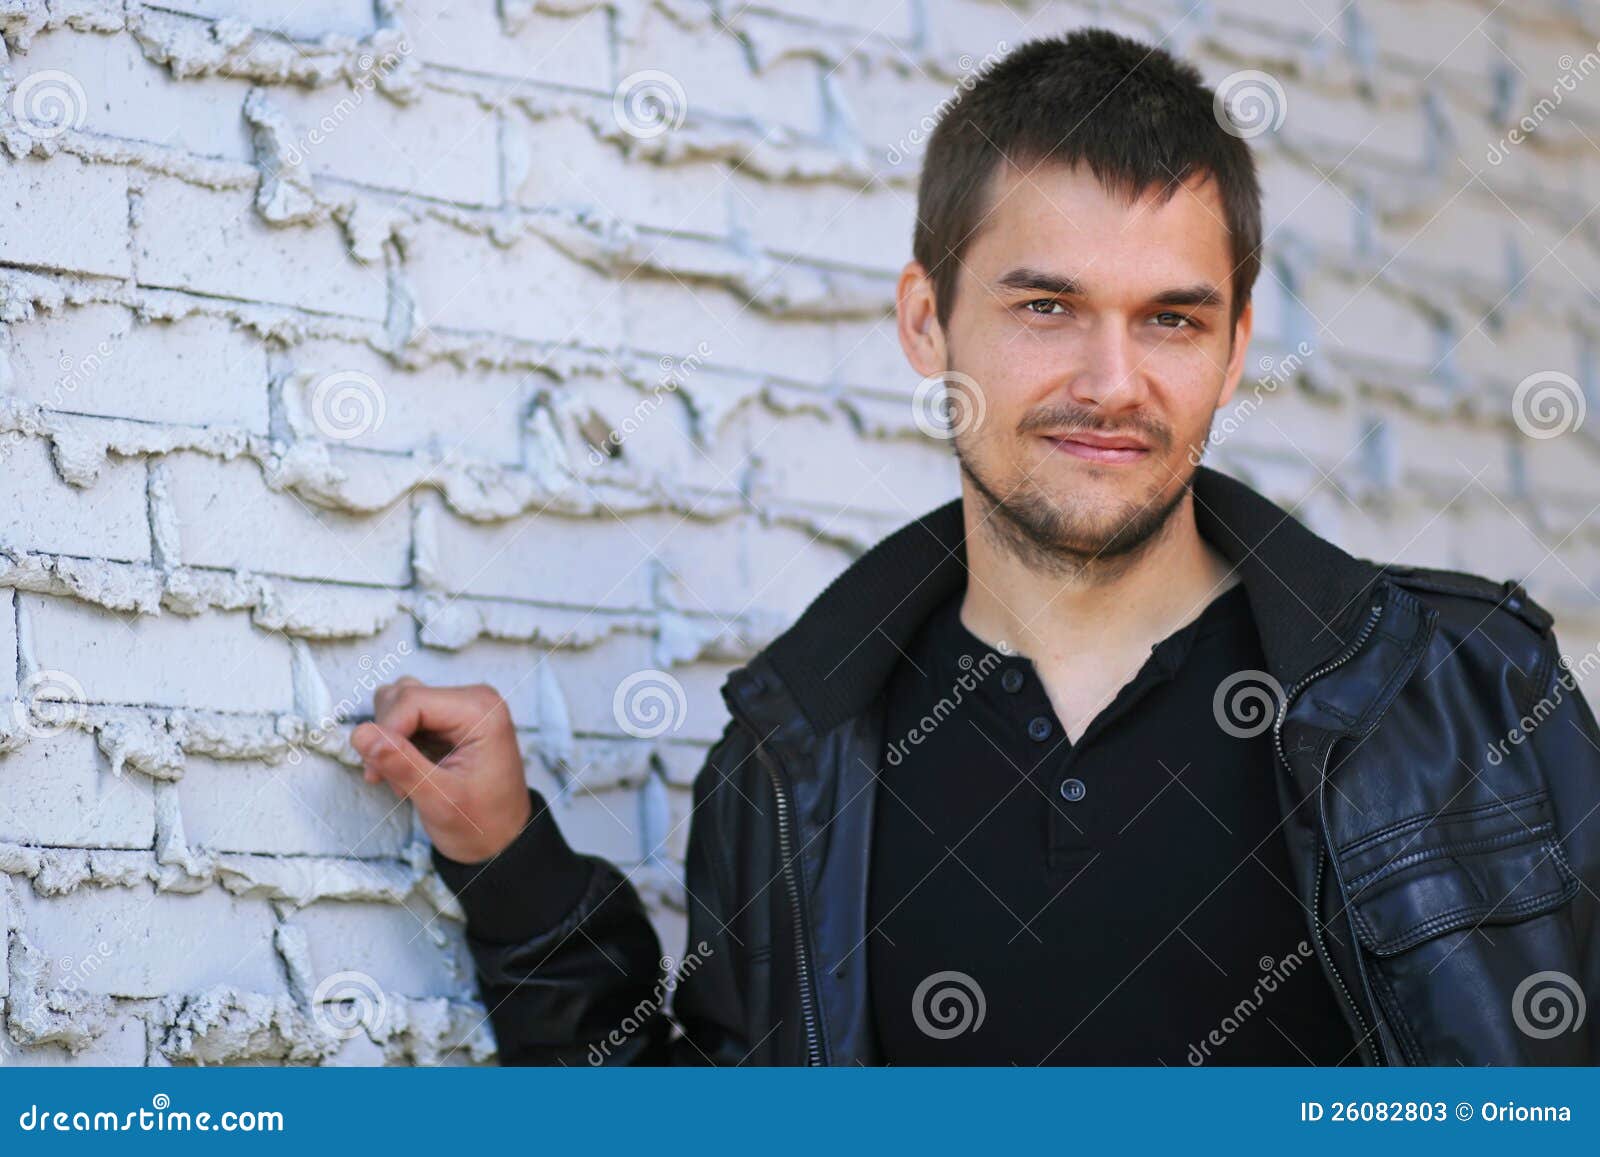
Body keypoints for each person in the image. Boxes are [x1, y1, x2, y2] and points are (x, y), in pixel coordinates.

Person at [350, 28, 1600, 1066]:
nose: (1111, 382)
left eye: (1170, 317)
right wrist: (515, 870)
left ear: (1233, 347)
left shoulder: (1459, 694)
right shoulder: (795, 758)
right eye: (1045, 305)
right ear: (924, 321)